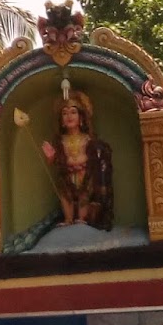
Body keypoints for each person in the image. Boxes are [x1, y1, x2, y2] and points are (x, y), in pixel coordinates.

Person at [38, 87, 113, 229]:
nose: (69, 116)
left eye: (73, 112)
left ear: (81, 118)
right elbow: (55, 162)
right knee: (65, 195)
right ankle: (68, 218)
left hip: (85, 176)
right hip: (67, 177)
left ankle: (82, 218)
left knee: (85, 195)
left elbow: (95, 159)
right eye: (65, 113)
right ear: (61, 120)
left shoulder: (87, 139)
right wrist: (51, 157)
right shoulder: (60, 141)